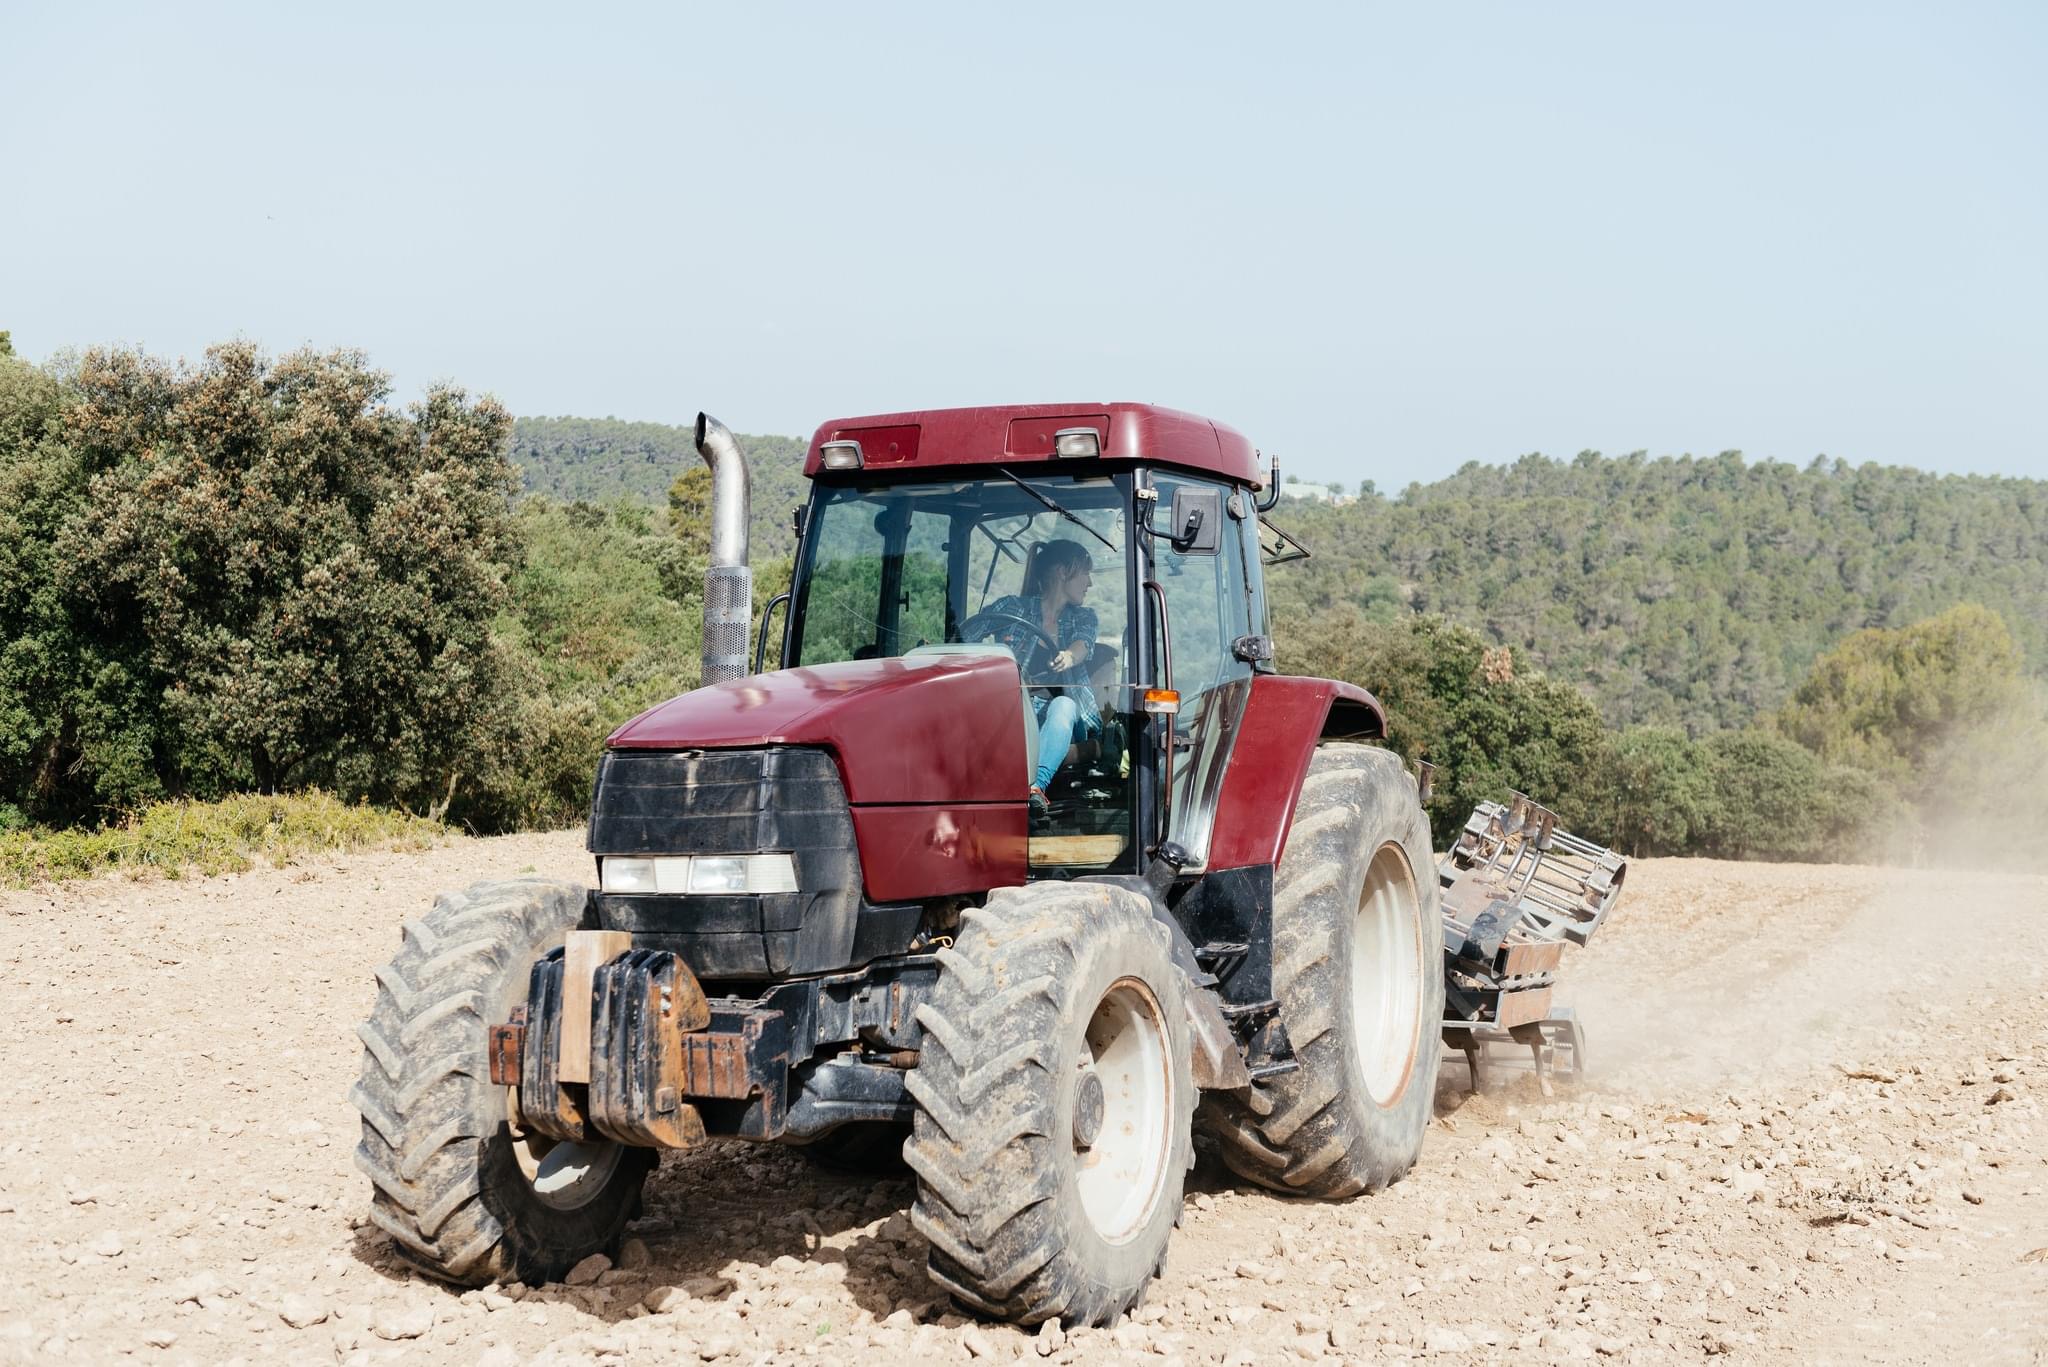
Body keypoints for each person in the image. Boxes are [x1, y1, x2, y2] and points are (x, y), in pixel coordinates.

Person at [980, 539, 1100, 814]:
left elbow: (1084, 644)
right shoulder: (1014, 609)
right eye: (1085, 573)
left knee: (1063, 705)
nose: (1089, 583)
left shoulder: (1083, 617)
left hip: (1071, 717)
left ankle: (1034, 788)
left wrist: (1069, 655)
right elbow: (965, 635)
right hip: (1018, 711)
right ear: (1062, 572)